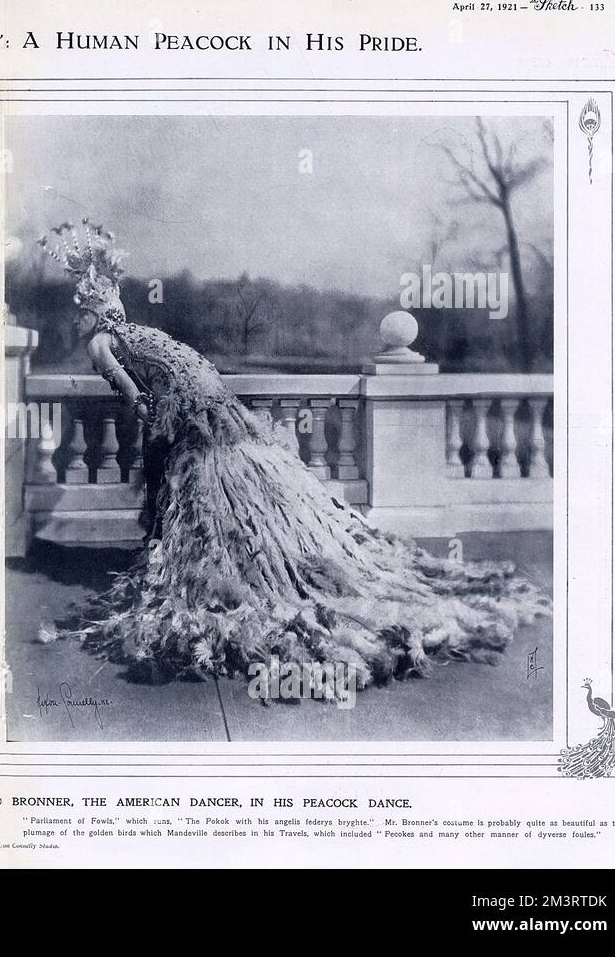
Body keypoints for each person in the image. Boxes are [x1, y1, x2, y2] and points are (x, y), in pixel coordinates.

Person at [40, 220, 549, 693]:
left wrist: (156, 439)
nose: (82, 316)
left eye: (81, 309)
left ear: (90, 310)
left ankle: (229, 572)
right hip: (220, 409)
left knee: (207, 514)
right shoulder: (144, 333)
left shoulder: (103, 343)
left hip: (196, 421)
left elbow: (138, 398)